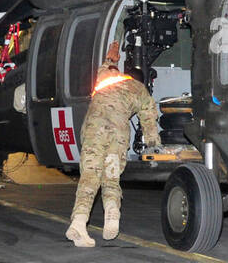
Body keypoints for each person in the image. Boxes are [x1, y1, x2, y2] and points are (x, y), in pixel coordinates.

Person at [67, 48, 160, 248]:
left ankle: (79, 222)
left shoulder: (107, 77)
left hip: (93, 129)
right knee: (111, 176)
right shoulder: (139, 89)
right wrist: (155, 147)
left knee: (90, 176)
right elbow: (149, 120)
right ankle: (112, 216)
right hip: (116, 133)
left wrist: (111, 57)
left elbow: (106, 64)